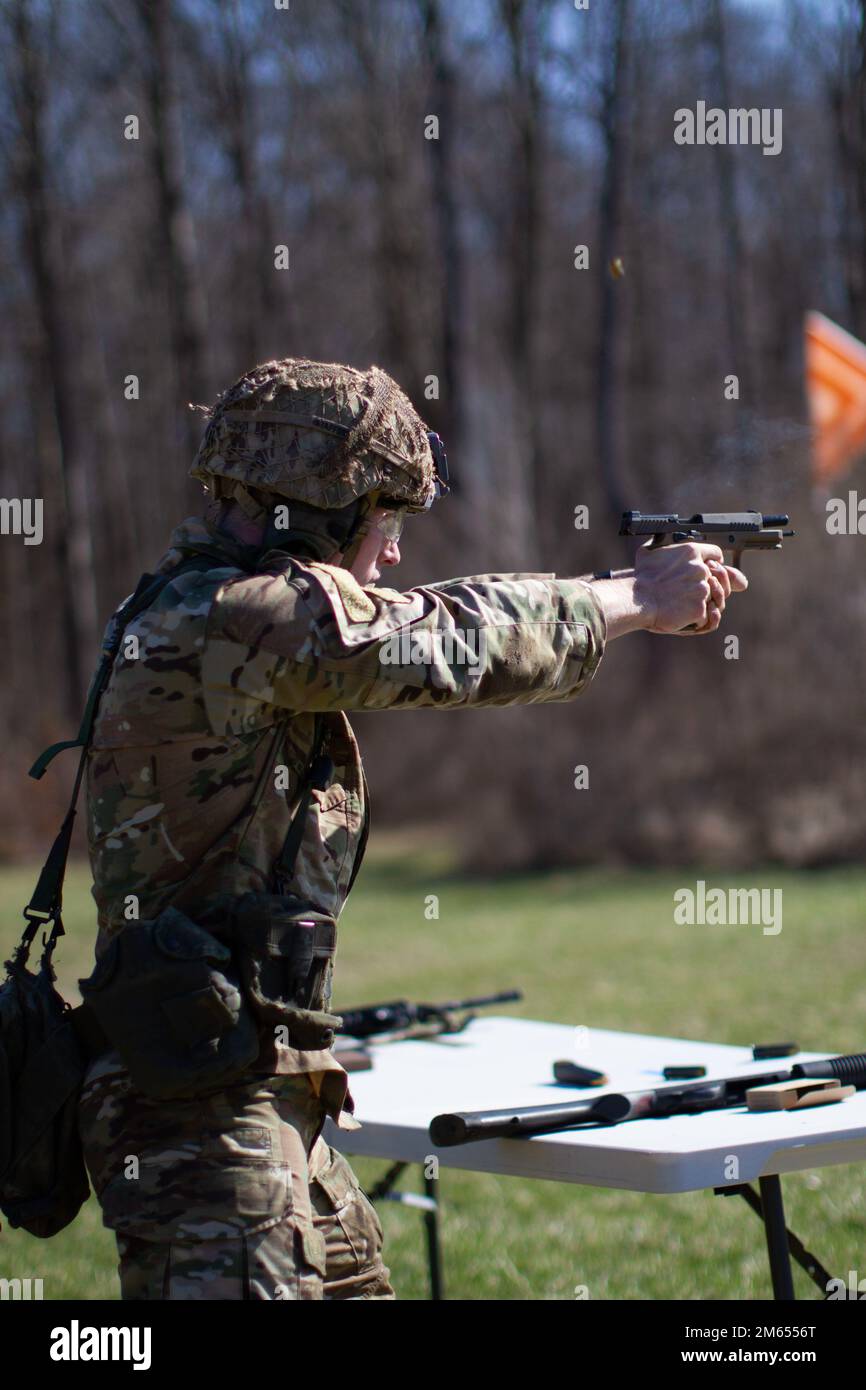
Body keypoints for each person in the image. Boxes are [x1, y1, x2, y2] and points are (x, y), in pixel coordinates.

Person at [77, 357, 747, 1300]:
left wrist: (618, 586)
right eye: (384, 521)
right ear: (318, 507)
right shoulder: (224, 618)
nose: (390, 553)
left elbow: (410, 621)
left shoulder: (203, 609)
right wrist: (637, 598)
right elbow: (438, 640)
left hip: (252, 1088)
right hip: (201, 1120)